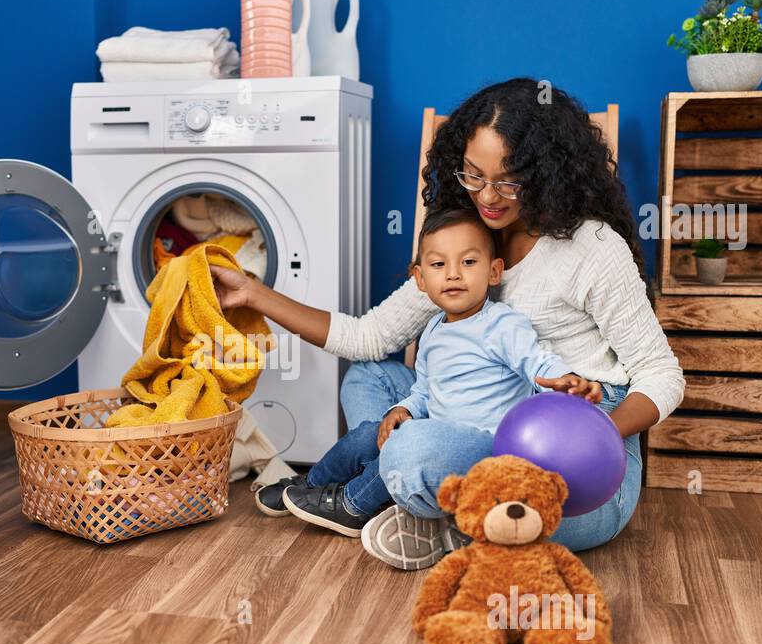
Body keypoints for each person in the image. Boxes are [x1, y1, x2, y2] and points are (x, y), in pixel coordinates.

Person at [215, 78, 684, 568]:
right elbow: (368, 337)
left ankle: (401, 496)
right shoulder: (464, 240)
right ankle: (419, 498)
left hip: (572, 447)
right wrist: (253, 292)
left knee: (414, 454)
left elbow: (662, 374)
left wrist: (593, 434)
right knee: (371, 379)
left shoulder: (591, 247)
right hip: (469, 413)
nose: (489, 196)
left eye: (509, 181)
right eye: (473, 175)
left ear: (548, 173)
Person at [275, 207, 600, 568]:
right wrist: (405, 409)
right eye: (438, 265)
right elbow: (425, 391)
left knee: (405, 446)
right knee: (371, 433)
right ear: (419, 278)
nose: (454, 275)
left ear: (494, 271)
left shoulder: (501, 324)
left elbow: (537, 361)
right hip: (436, 430)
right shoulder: (433, 330)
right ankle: (308, 485)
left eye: (469, 262)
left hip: (482, 446)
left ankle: (353, 504)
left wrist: (563, 378)